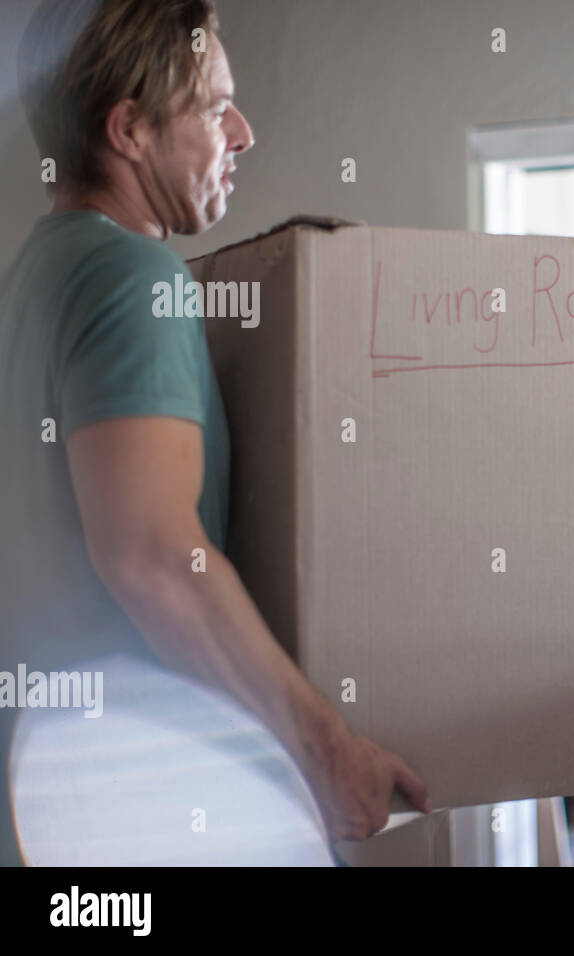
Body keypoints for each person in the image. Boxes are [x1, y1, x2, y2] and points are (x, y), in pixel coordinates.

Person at [0, 0, 429, 866]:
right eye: (211, 106)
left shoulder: (34, 274)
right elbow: (154, 557)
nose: (241, 131)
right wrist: (326, 748)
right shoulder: (134, 276)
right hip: (126, 801)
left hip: (46, 790)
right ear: (127, 129)